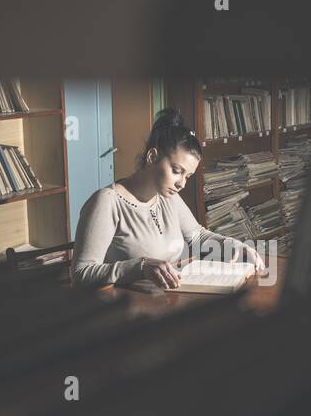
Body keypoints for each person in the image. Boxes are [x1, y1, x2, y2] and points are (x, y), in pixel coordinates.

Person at [70, 108, 266, 289]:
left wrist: (236, 246)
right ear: (152, 157)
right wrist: (140, 267)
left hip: (167, 301)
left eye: (187, 176)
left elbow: (198, 237)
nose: (182, 183)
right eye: (176, 171)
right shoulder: (107, 202)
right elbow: (81, 273)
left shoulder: (167, 196)